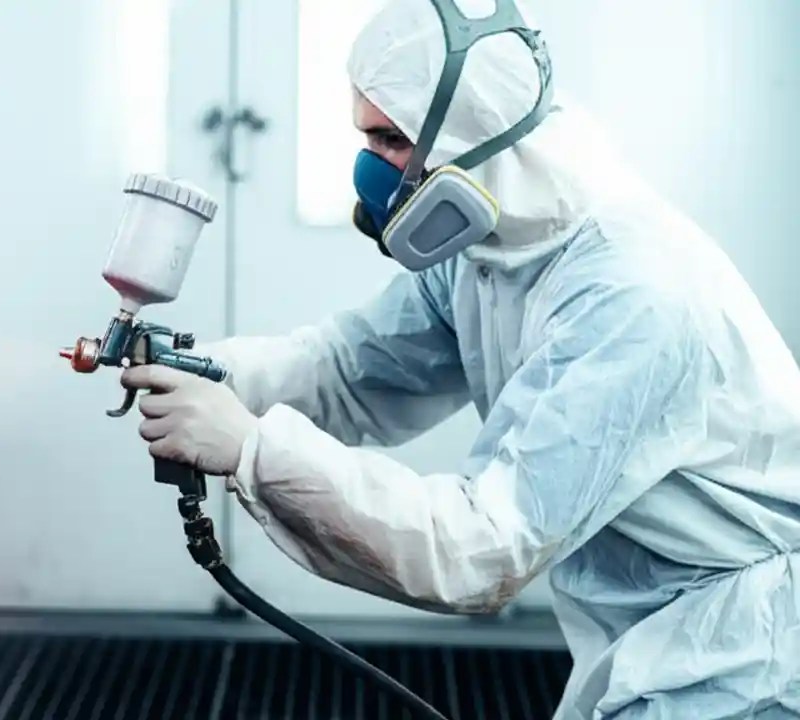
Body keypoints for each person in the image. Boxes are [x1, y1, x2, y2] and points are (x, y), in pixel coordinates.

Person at [122, 0, 800, 717]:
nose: (370, 168)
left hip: (746, 650)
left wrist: (253, 447)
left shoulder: (635, 293)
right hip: (649, 628)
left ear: (471, 138)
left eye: (389, 139)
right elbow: (355, 368)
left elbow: (483, 548)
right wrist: (217, 377)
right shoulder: (494, 243)